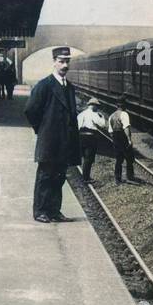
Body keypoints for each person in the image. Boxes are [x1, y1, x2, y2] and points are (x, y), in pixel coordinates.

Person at [24, 46, 81, 223]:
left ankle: (54, 211)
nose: (65, 65)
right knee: (45, 176)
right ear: (54, 62)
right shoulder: (44, 85)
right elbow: (30, 110)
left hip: (65, 141)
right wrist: (42, 129)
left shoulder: (69, 87)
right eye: (61, 61)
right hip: (49, 140)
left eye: (67, 62)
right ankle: (40, 211)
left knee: (59, 177)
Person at [76, 97, 108, 184]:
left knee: (84, 158)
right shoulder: (95, 114)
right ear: (93, 105)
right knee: (88, 158)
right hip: (90, 137)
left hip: (81, 137)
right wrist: (102, 117)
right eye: (97, 106)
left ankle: (85, 176)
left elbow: (77, 127)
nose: (97, 108)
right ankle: (86, 178)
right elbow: (103, 125)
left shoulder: (81, 114)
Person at [108, 94, 138, 185]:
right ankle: (130, 176)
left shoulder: (111, 116)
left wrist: (115, 139)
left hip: (115, 137)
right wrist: (129, 139)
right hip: (123, 137)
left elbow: (110, 131)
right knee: (129, 158)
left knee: (119, 159)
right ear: (124, 105)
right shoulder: (124, 114)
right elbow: (126, 128)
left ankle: (118, 178)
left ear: (117, 105)